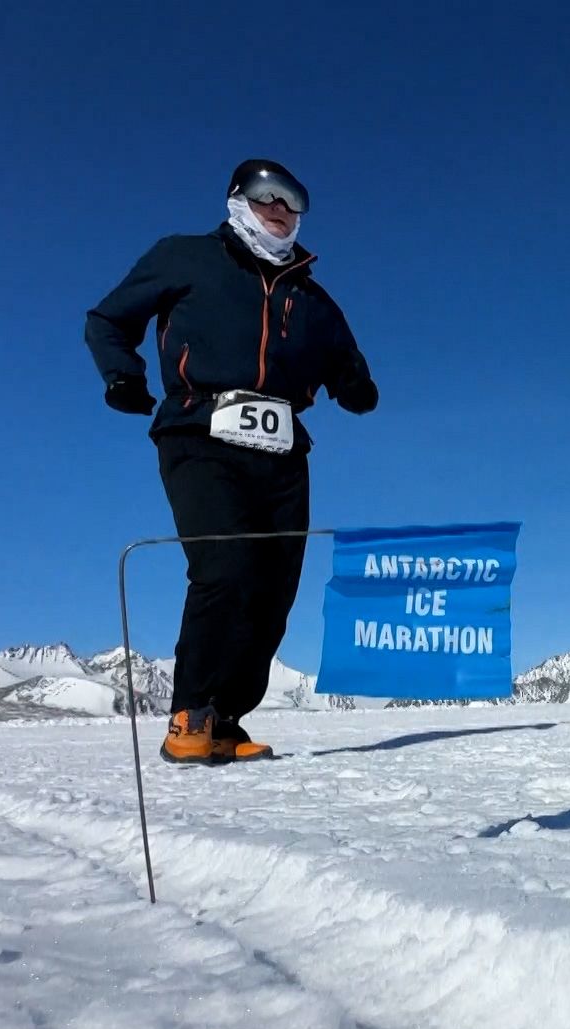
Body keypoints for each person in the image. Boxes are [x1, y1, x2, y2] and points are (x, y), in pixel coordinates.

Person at [86, 160, 378, 765]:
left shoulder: (313, 298)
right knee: (225, 566)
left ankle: (224, 719)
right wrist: (122, 376)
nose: (281, 208)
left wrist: (354, 383)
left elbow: (346, 363)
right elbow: (108, 320)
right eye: (267, 195)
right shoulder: (187, 256)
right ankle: (189, 714)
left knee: (275, 588)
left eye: (293, 201)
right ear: (236, 201)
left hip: (282, 449)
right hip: (201, 432)